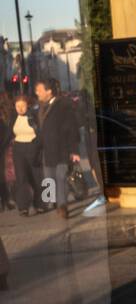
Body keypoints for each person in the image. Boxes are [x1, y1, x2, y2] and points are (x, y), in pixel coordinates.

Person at [33, 78, 80, 218]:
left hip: (62, 149)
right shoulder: (41, 107)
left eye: (39, 90)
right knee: (50, 179)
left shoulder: (63, 105)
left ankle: (62, 206)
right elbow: (41, 131)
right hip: (47, 151)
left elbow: (72, 128)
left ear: (49, 91)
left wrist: (74, 151)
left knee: (61, 177)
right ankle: (54, 202)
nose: (37, 93)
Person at [9, 95, 42, 215]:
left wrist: (37, 145)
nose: (20, 108)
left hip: (33, 147)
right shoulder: (13, 117)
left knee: (36, 177)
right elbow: (9, 133)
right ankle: (23, 207)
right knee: (21, 178)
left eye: (22, 105)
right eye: (17, 106)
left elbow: (40, 133)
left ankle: (40, 204)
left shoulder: (34, 116)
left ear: (27, 105)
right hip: (18, 149)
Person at [0, 91, 15, 212]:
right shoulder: (11, 112)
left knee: (4, 176)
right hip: (7, 146)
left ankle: (5, 200)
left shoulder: (8, 114)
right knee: (6, 176)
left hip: (4, 146)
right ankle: (7, 199)